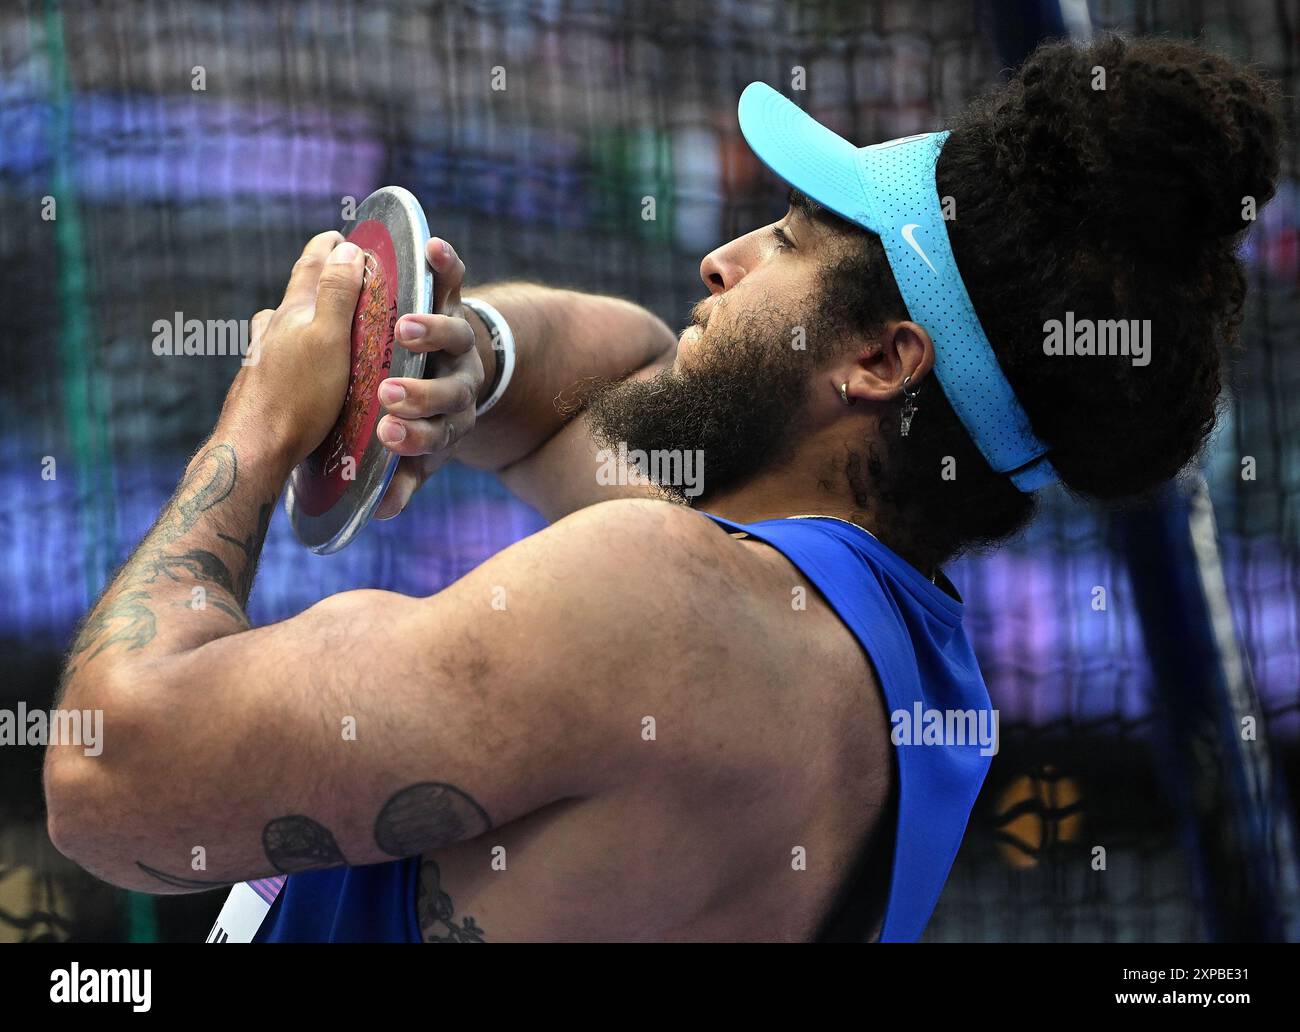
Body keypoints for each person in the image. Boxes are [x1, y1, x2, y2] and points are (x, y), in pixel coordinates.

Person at [46, 35, 1280, 942]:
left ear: (876, 360)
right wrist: (478, 352)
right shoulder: (884, 659)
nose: (722, 258)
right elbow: (615, 372)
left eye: (786, 247)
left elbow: (109, 779)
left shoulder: (669, 605)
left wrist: (258, 424)